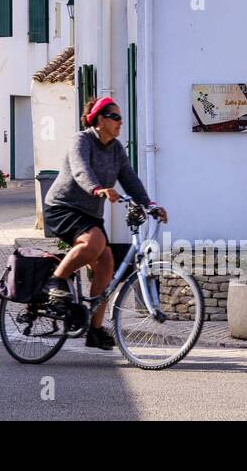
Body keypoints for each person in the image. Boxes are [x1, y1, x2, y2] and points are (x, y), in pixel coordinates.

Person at [41, 96, 167, 350]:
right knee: (94, 242)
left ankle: (95, 331)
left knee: (107, 263)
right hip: (62, 207)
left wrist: (150, 205)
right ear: (100, 120)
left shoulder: (116, 149)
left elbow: (130, 179)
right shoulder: (82, 141)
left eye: (121, 117)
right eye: (116, 117)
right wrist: (98, 189)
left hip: (89, 213)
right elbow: (80, 170)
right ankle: (55, 280)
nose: (121, 122)